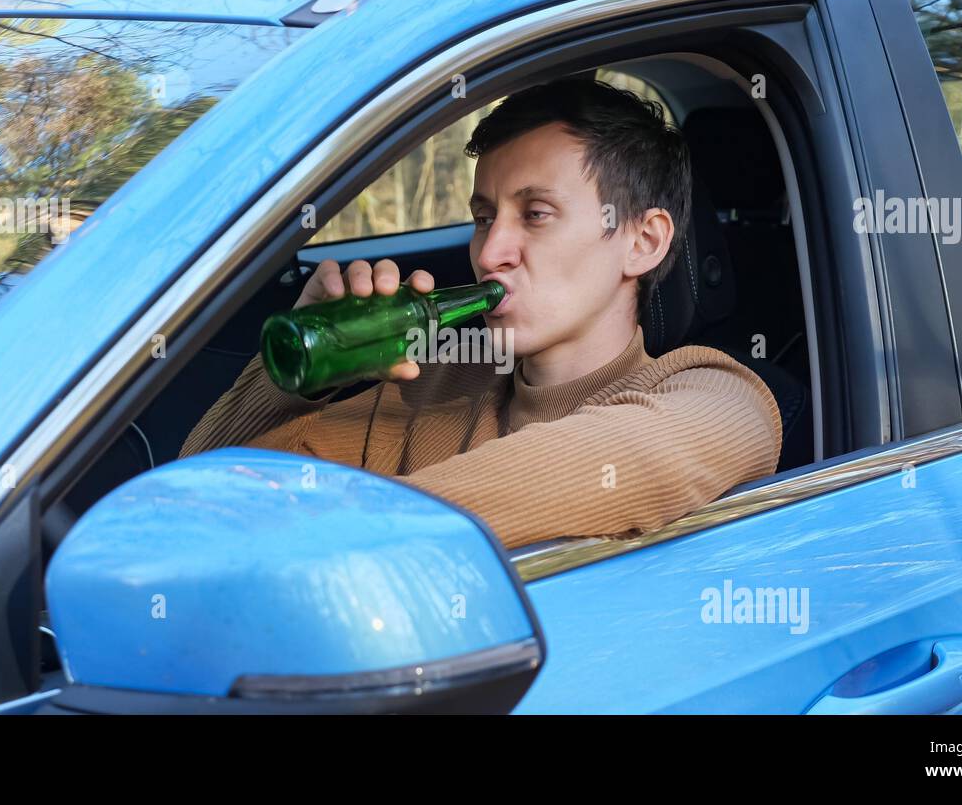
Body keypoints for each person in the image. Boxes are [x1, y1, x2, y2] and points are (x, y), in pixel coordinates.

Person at [180, 78, 781, 549]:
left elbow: (592, 464)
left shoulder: (717, 396)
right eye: (484, 216)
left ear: (643, 242)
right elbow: (199, 495)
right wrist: (296, 378)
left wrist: (318, 536)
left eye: (537, 214)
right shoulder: (435, 384)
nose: (489, 252)